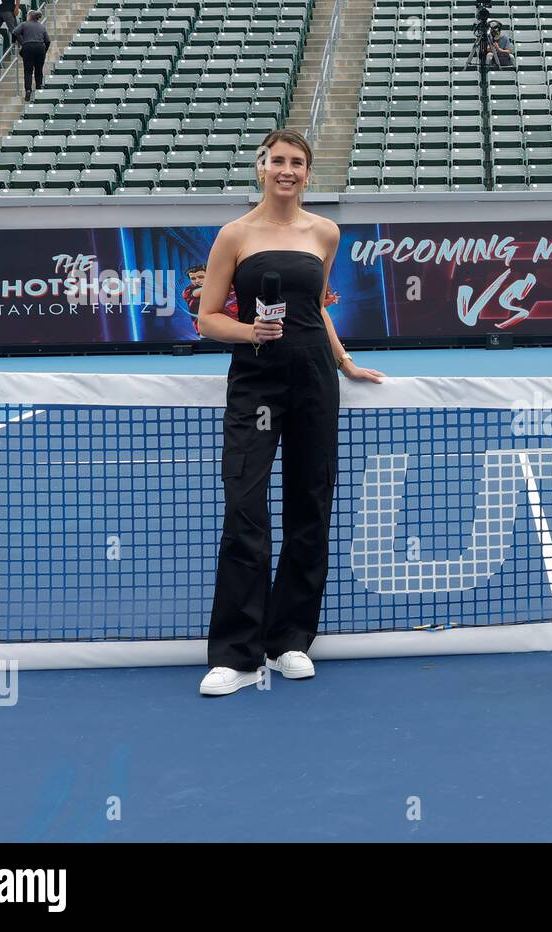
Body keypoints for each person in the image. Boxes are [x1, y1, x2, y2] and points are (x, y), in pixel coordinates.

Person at [195, 129, 385, 697]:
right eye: (277, 160)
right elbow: (207, 318)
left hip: (312, 381)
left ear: (308, 172)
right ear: (261, 168)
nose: (287, 170)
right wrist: (250, 330)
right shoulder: (234, 234)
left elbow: (315, 308)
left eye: (297, 162)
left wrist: (344, 360)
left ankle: (290, 641)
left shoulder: (324, 232)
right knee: (246, 508)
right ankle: (236, 654)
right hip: (255, 380)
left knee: (311, 504)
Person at [183, 263, 238, 332]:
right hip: (207, 331)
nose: (197, 281)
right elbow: (199, 292)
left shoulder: (228, 286)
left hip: (231, 327)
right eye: (193, 278)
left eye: (201, 277)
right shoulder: (188, 290)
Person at [12, 10, 50, 102]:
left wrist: (18, 42)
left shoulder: (24, 24)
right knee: (39, 70)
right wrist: (44, 51)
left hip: (28, 47)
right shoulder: (41, 26)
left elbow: (14, 32)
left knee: (28, 71)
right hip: (40, 48)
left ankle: (28, 90)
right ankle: (39, 89)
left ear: (29, 16)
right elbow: (48, 41)